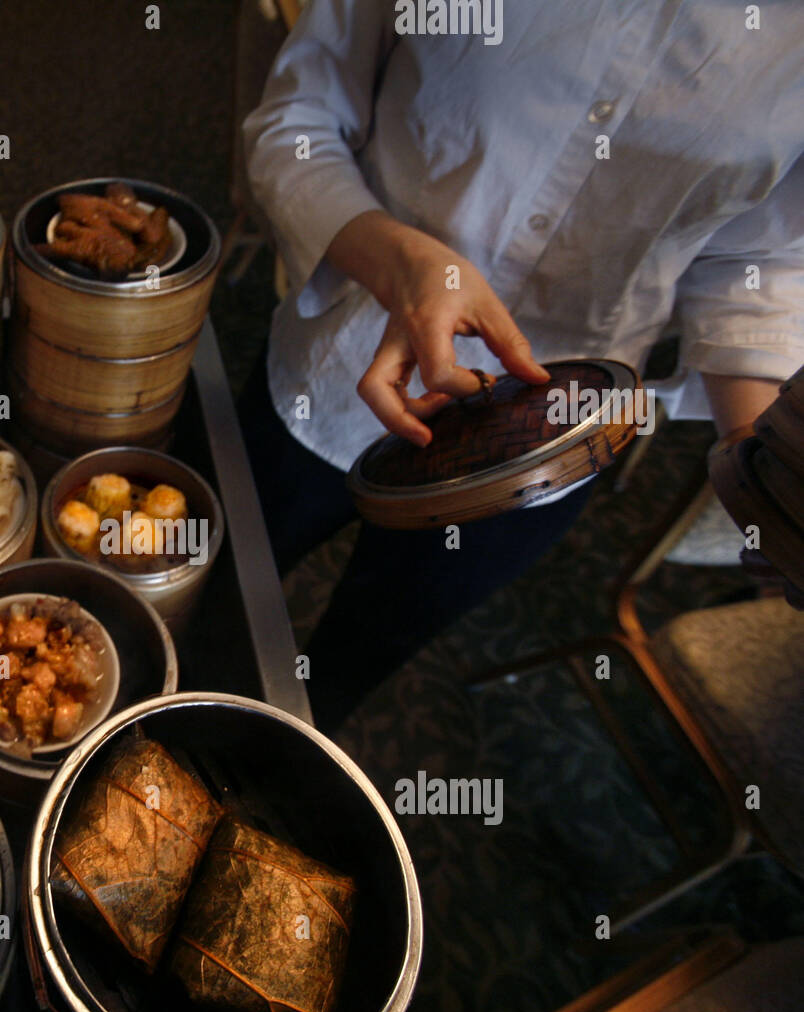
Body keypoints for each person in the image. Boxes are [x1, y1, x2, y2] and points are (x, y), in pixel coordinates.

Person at [241, 0, 804, 731]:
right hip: (340, 366)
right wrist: (401, 261)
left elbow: (754, 260)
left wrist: (766, 476)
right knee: (204, 597)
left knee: (342, 679)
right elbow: (297, 121)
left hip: (547, 449)